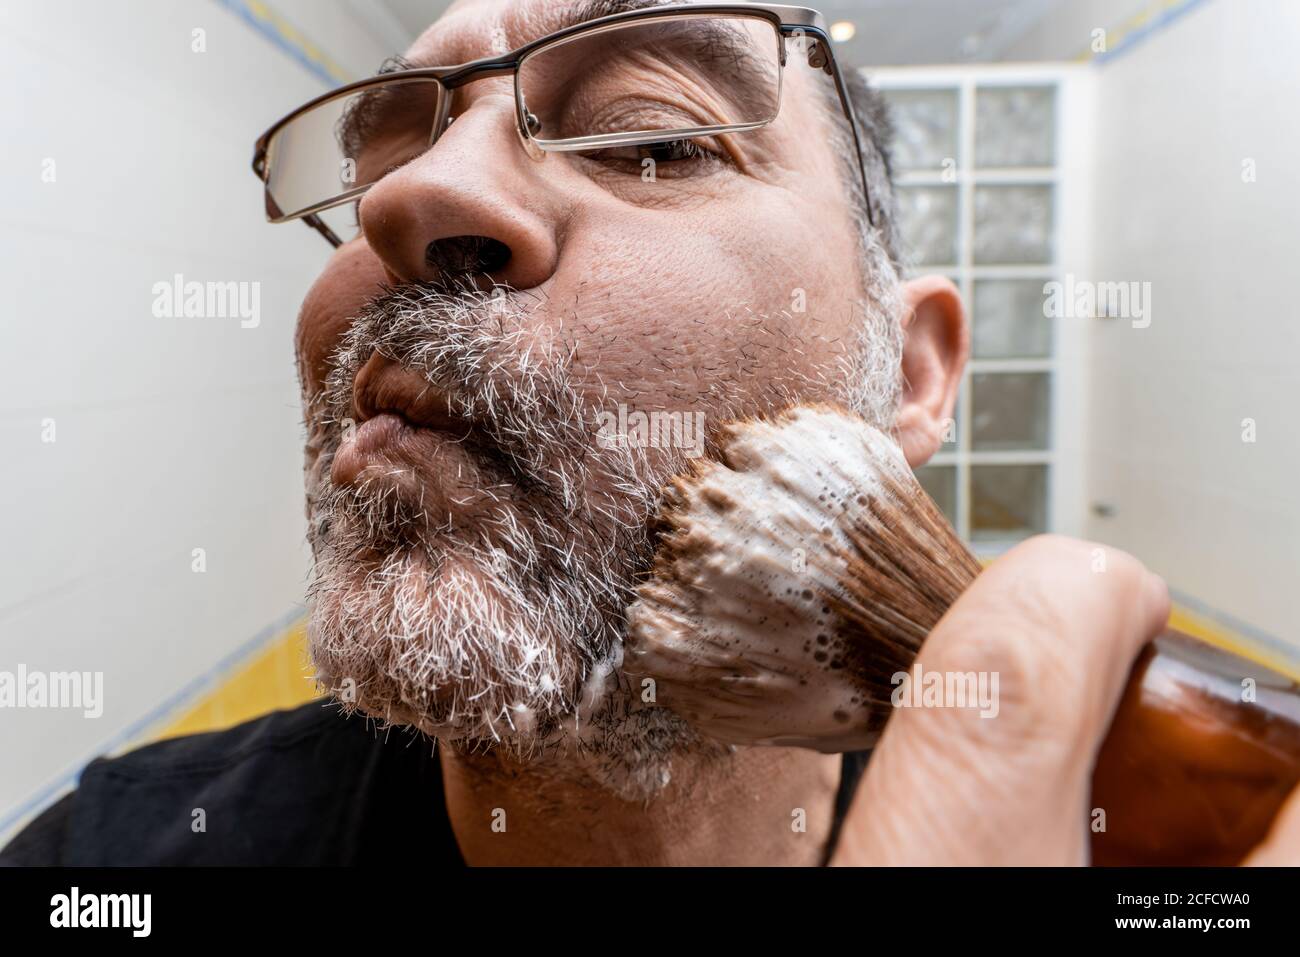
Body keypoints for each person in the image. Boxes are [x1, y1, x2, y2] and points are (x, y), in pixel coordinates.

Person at [6, 0, 1296, 866]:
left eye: (651, 137)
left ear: (910, 373)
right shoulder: (104, 861)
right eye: (381, 158)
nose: (416, 197)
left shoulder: (1166, 854)